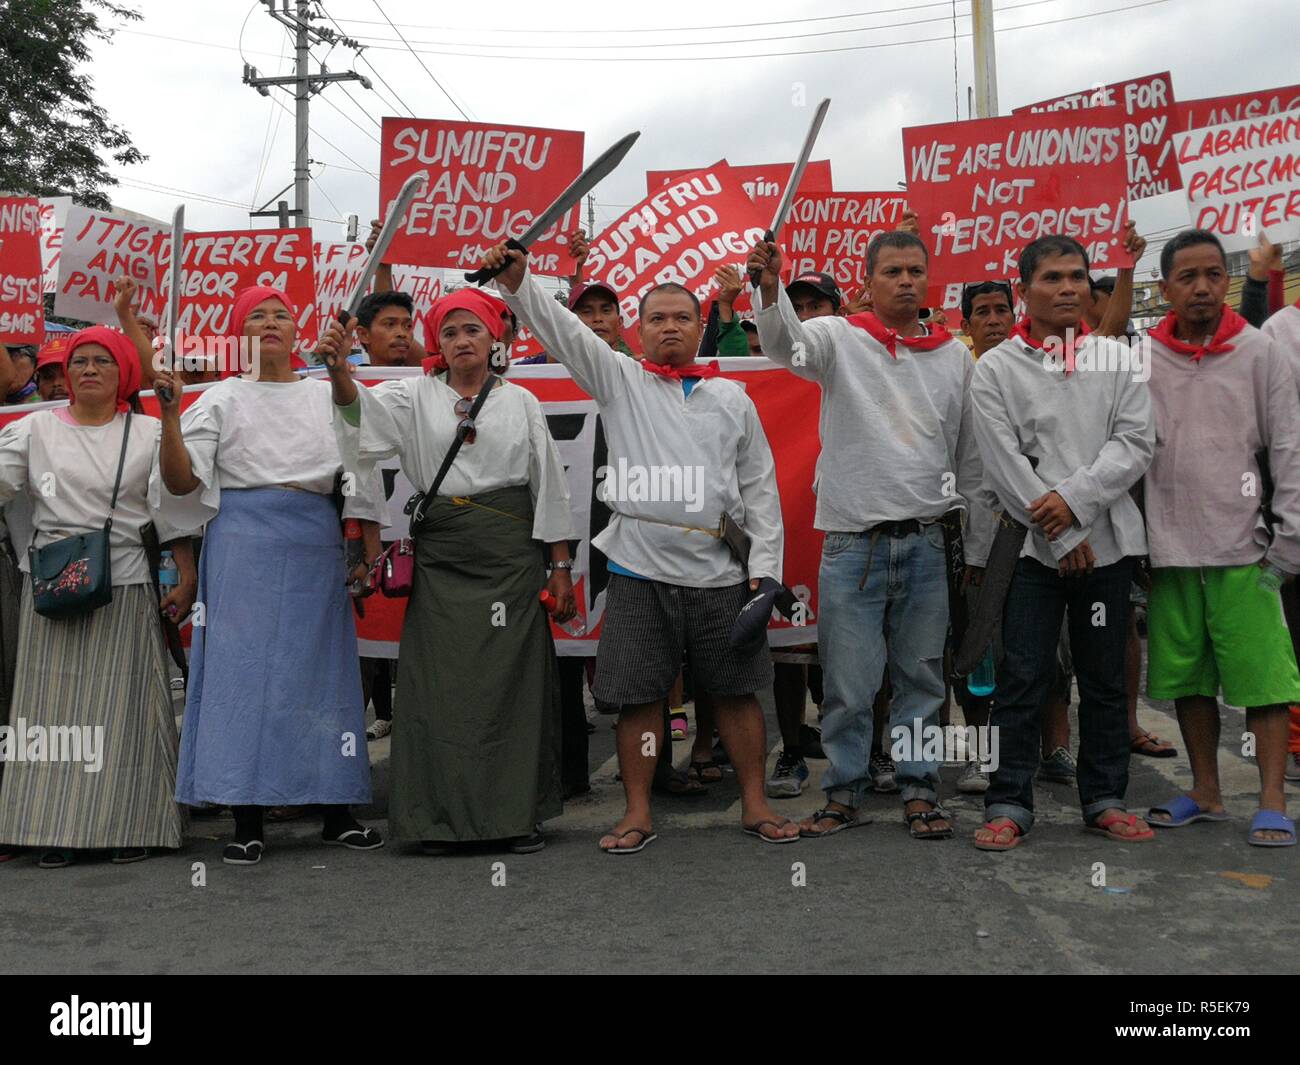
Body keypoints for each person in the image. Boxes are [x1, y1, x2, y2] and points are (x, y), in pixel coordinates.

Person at [488, 241, 797, 851]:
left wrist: (765, 573)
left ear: (699, 323)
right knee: (638, 698)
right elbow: (564, 329)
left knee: (736, 693)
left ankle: (755, 803)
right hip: (637, 568)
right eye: (656, 318)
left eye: (682, 316)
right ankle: (636, 811)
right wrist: (520, 284)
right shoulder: (618, 379)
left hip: (720, 573)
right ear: (640, 329)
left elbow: (761, 489)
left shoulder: (731, 397)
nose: (670, 327)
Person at [323, 286, 576, 854]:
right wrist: (339, 371)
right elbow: (359, 427)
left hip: (511, 555)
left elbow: (550, 489)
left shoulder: (521, 402)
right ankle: (437, 820)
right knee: (439, 689)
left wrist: (559, 565)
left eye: (474, 330)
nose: (463, 341)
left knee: (512, 686)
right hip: (442, 556)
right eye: (451, 332)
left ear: (496, 339)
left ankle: (514, 817)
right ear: (436, 342)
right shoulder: (410, 397)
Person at [751, 231, 981, 840]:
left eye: (914, 271)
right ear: (868, 281)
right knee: (850, 685)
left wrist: (971, 541)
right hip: (852, 543)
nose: (906, 281)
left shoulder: (955, 356)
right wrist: (769, 288)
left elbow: (967, 453)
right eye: (892, 272)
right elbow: (781, 345)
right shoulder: (836, 337)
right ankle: (843, 790)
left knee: (922, 680)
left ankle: (918, 789)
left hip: (930, 541)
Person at [157, 285, 387, 866]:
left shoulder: (324, 394)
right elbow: (182, 484)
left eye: (280, 313)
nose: (269, 323)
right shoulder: (219, 399)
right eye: (255, 316)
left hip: (314, 536)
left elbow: (362, 458)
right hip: (241, 541)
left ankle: (336, 812)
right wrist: (168, 415)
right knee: (243, 676)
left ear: (296, 328)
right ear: (241, 333)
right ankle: (246, 816)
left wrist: (360, 546)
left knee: (323, 673)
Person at [968, 234, 1155, 851]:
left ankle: (1104, 797)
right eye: (1052, 278)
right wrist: (1062, 529)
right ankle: (1008, 800)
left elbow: (1133, 446)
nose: (1069, 288)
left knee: (1103, 677)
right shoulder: (995, 368)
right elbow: (1002, 462)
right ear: (1024, 289)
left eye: (1077, 276)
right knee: (1024, 677)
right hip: (1029, 552)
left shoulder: (1118, 360)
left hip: (1107, 549)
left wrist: (1074, 506)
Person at [0, 326, 198, 868]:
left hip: (127, 582)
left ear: (124, 375)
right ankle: (51, 830)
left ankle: (134, 824)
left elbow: (178, 497)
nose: (87, 369)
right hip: (53, 585)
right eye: (79, 362)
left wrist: (174, 416)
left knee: (126, 711)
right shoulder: (34, 429)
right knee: (50, 717)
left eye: (102, 362)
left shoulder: (147, 432)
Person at [1141, 229, 1300, 847]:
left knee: (1264, 681)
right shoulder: (1144, 359)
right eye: (1188, 276)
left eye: (1213, 273)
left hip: (1247, 549)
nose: (1203, 286)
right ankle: (1205, 792)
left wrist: (1288, 541)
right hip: (1171, 550)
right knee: (1187, 679)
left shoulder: (1262, 353)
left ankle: (1270, 801)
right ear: (1166, 288)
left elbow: (1288, 446)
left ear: (1226, 282)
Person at [756, 268, 843, 800]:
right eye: (799, 307)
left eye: (818, 306)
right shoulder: (763, 372)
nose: (808, 317)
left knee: (859, 652)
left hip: (850, 523)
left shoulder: (858, 361)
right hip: (789, 525)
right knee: (788, 651)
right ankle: (790, 749)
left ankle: (869, 746)